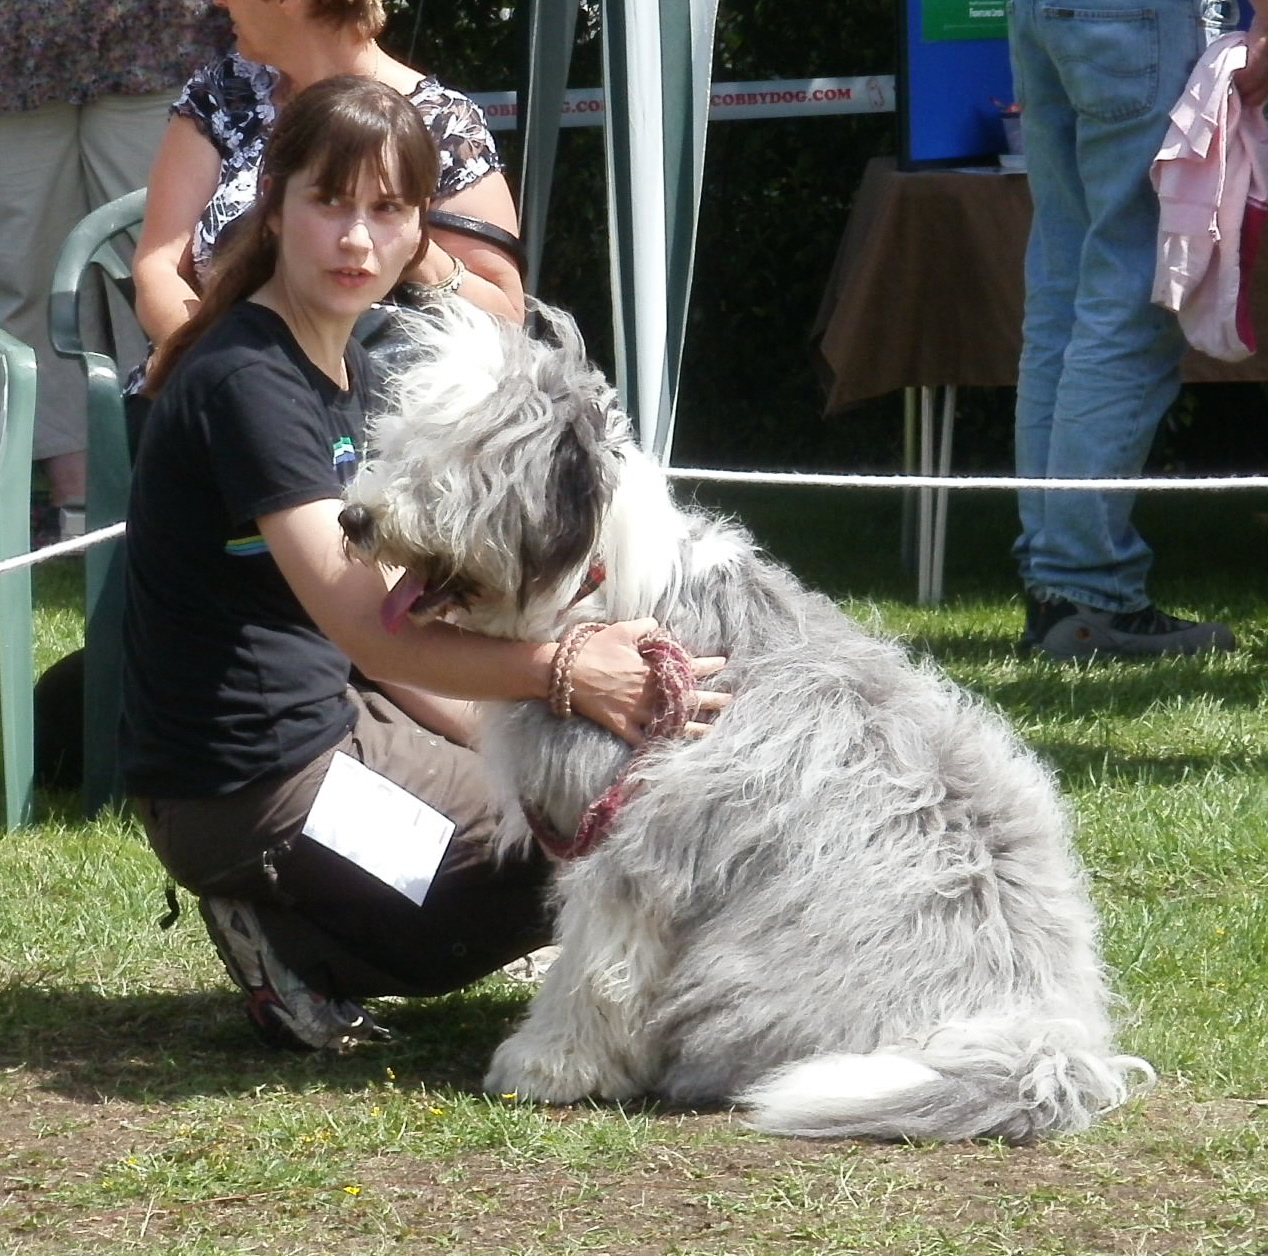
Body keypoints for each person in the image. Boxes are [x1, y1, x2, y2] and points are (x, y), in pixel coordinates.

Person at [122, 75, 725, 1052]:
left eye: (386, 210)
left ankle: (327, 915)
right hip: (254, 788)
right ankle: (289, 943)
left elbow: (391, 636)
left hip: (329, 722)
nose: (356, 238)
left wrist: (524, 733)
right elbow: (364, 626)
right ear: (274, 207)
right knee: (568, 846)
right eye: (329, 202)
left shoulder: (341, 365)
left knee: (579, 799)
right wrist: (568, 675)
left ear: (418, 237)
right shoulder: (249, 381)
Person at [1008, 0, 1268, 659]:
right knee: (1127, 304)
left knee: (1064, 309)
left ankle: (1056, 590)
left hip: (1040, 15)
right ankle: (1086, 591)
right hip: (1140, 17)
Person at [130, 0, 523, 402]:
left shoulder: (444, 124)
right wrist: (223, 366)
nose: (218, 2)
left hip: (397, 417)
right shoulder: (223, 94)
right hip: (215, 391)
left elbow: (507, 323)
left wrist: (410, 242)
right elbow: (158, 265)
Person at [0, 1, 230, 546]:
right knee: (23, 287)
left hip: (155, 33)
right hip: (14, 48)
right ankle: (77, 518)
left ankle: (178, 484)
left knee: (166, 270)